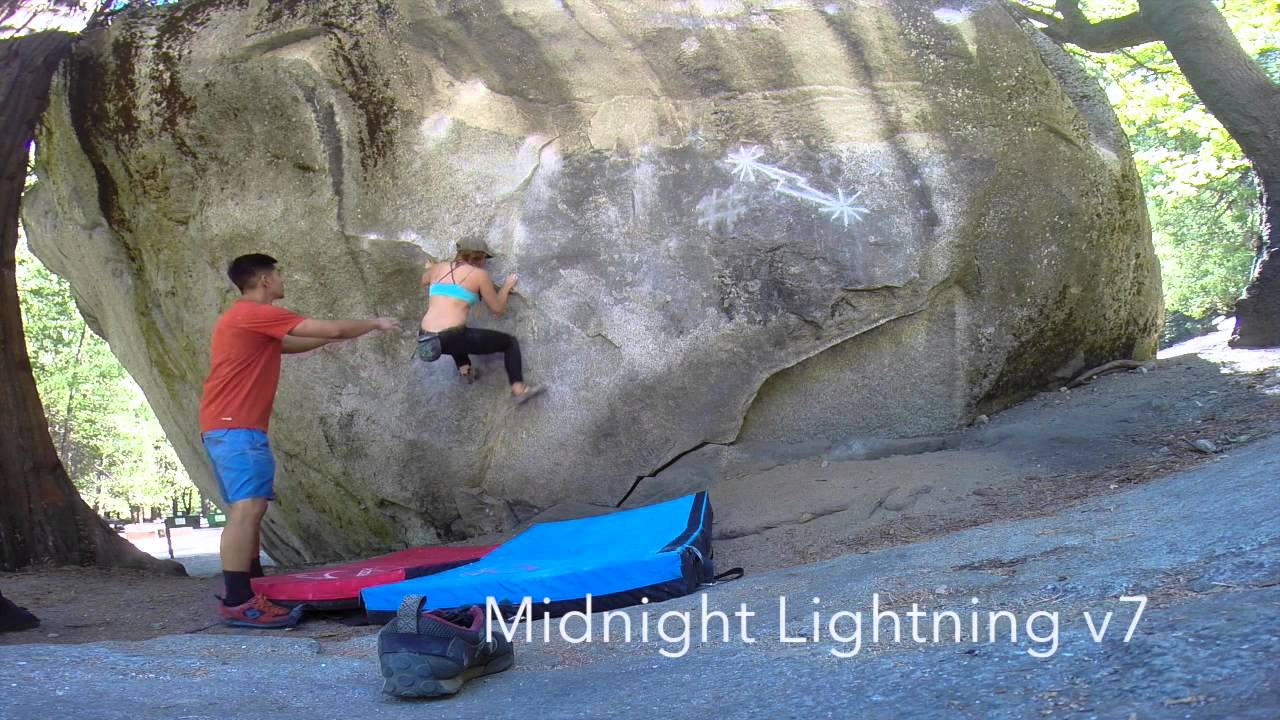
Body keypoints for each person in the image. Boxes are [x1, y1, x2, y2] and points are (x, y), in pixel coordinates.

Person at [200, 253, 399, 628]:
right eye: (277, 273)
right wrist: (372, 323)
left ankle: (252, 584)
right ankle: (239, 600)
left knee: (250, 508)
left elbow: (291, 344)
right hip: (235, 427)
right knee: (248, 508)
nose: (281, 279)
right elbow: (329, 329)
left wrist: (329, 340)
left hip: (229, 426)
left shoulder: (243, 321)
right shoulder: (253, 313)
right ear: (262, 279)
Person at [417, 237, 543, 403]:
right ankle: (519, 389)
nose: (485, 262)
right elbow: (497, 309)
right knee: (509, 343)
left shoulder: (439, 268)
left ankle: (465, 369)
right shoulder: (479, 275)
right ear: (480, 257)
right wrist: (506, 287)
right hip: (449, 338)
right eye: (485, 258)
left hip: (425, 338)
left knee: (459, 331)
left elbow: (423, 281)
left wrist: (432, 269)